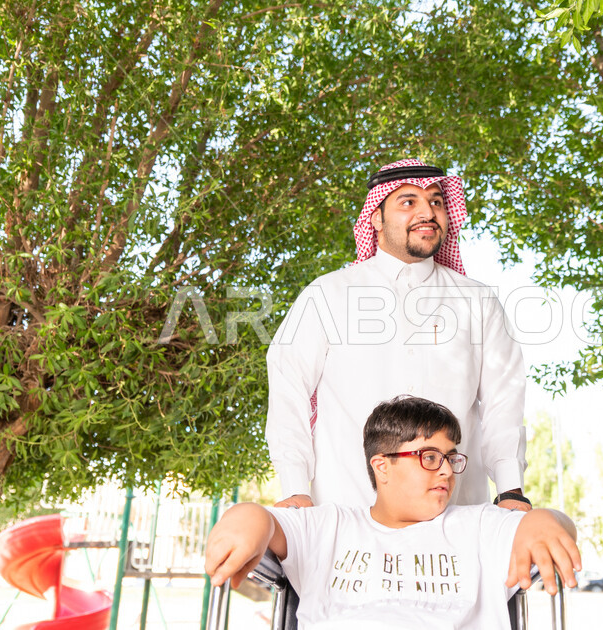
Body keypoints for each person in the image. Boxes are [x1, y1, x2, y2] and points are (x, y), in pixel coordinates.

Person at [267, 158, 529, 511]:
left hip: (457, 516)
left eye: (436, 201)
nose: (428, 212)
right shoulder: (328, 293)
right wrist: (295, 485)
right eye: (408, 202)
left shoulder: (478, 301)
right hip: (349, 512)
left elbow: (503, 401)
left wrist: (511, 489)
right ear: (375, 217)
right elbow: (289, 388)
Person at [206, 396, 580, 630]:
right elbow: (267, 521)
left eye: (451, 457)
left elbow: (550, 525)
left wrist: (544, 521)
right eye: (430, 457)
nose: (447, 470)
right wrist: (247, 517)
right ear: (381, 466)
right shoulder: (330, 526)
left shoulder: (479, 526)